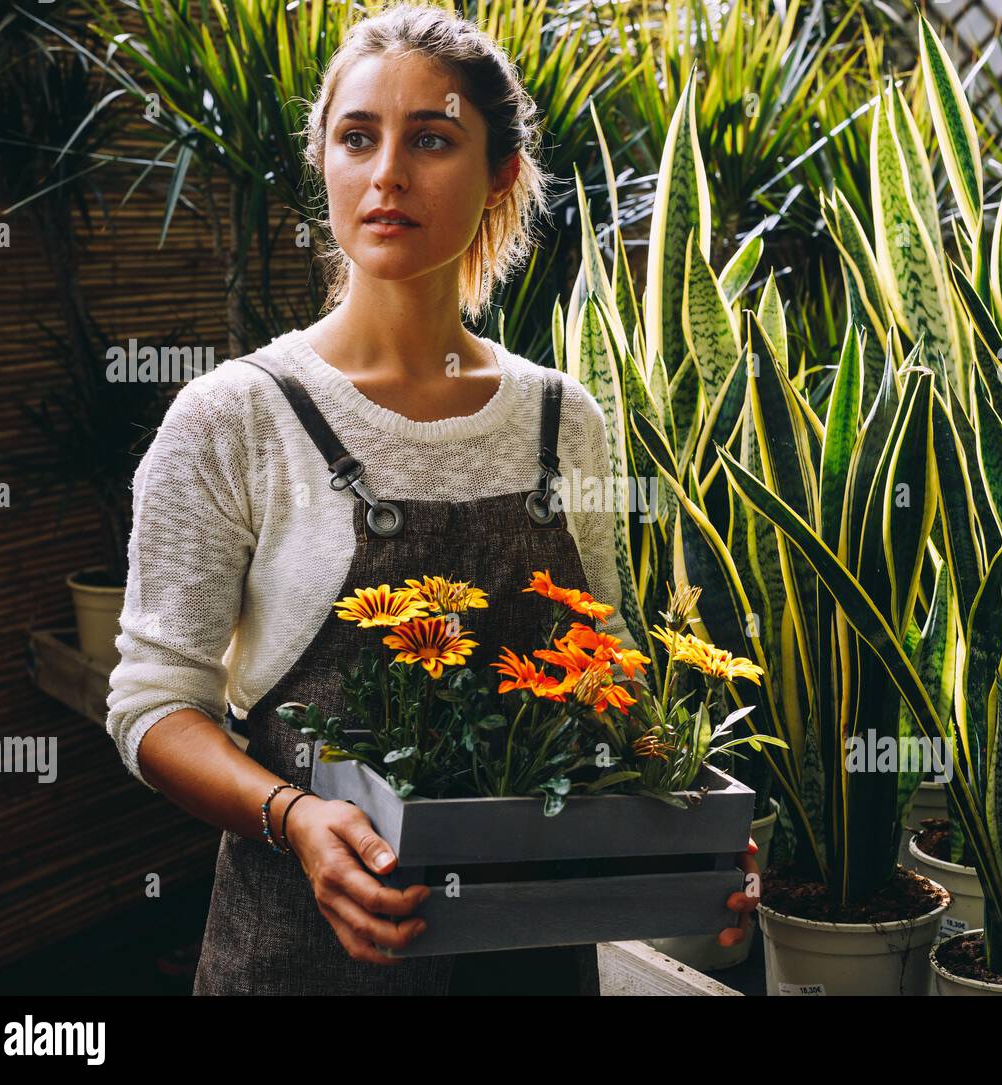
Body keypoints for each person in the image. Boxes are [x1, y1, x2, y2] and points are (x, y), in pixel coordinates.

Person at [104, 2, 757, 997]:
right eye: (356, 136)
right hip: (301, 955)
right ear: (321, 157)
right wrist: (294, 816)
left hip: (531, 957)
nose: (387, 174)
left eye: (434, 139)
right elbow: (155, 706)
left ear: (500, 173)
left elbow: (604, 666)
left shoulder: (560, 418)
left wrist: (691, 840)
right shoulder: (234, 418)